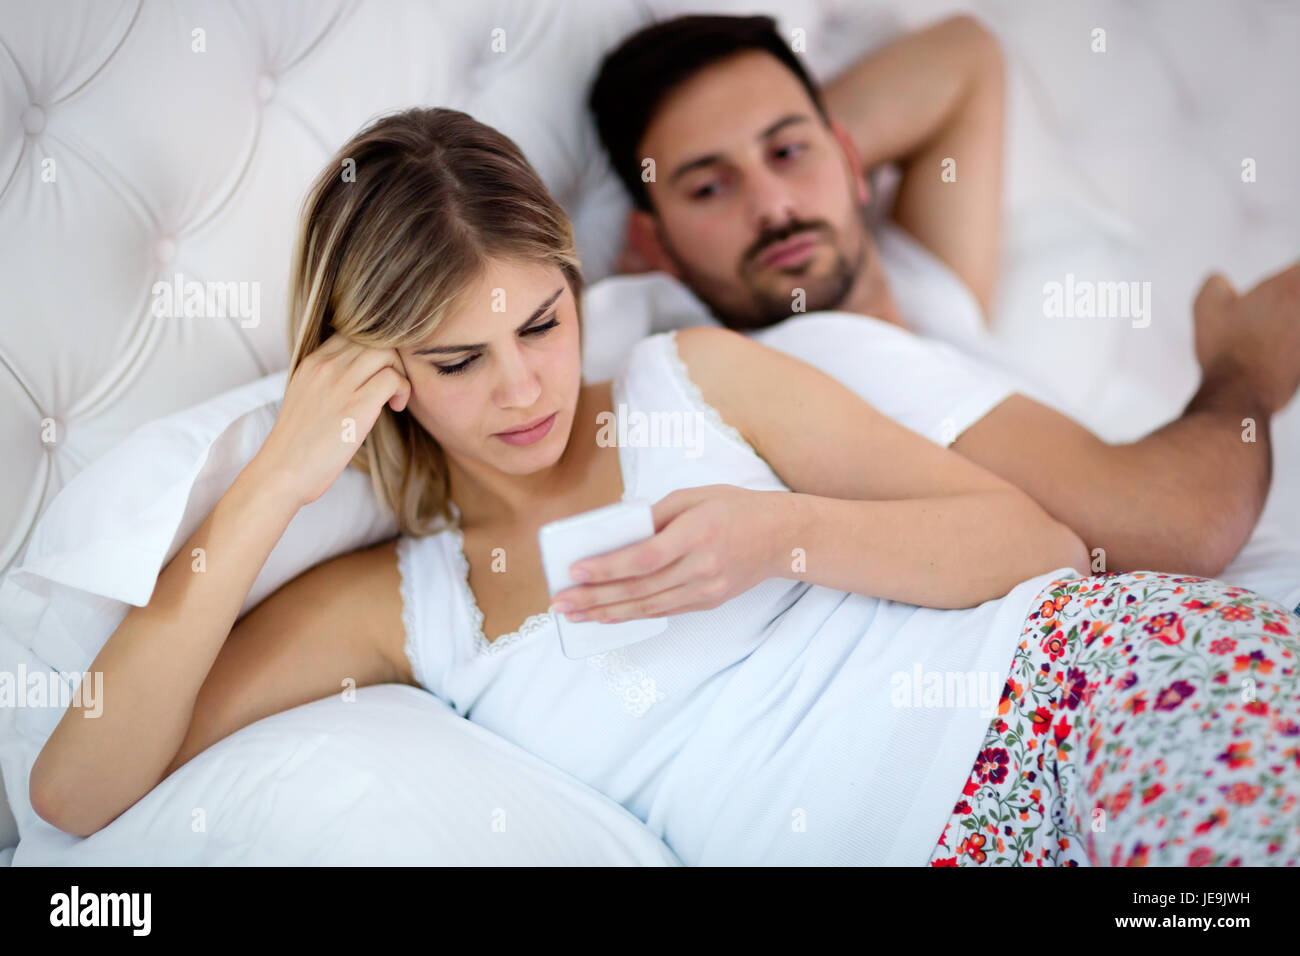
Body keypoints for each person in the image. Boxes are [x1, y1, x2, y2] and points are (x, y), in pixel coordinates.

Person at [29, 108, 1300, 867]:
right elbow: (76, 790)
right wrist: (273, 480)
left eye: (542, 321)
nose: (523, 389)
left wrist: (784, 537)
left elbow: (1035, 541)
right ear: (383, 376)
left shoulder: (688, 379)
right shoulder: (402, 606)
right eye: (460, 360)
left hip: (1068, 692)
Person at [587, 13, 1300, 583]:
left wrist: (780, 154)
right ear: (653, 246)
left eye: (787, 152)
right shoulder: (821, 349)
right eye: (708, 187)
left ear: (849, 157)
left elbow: (966, 57)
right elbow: (1175, 525)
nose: (774, 208)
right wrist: (1246, 368)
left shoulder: (908, 284)